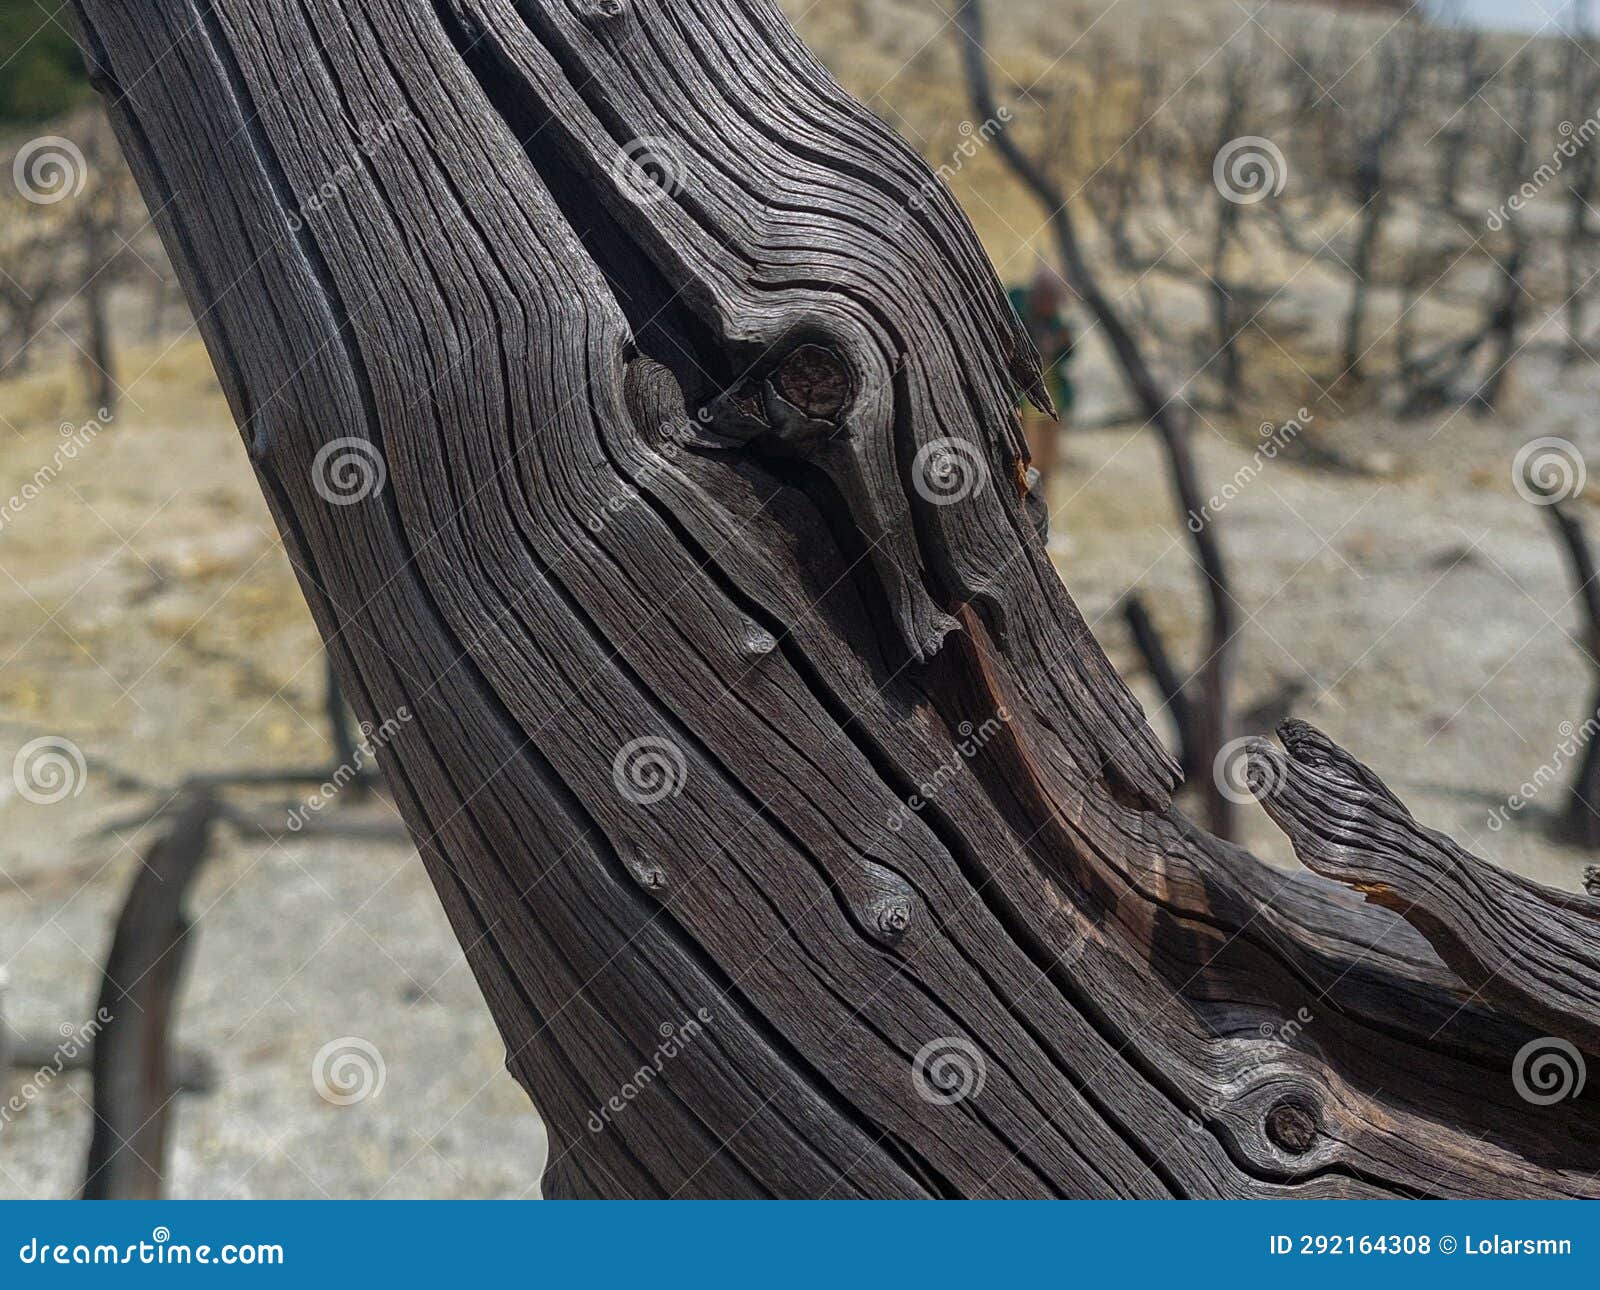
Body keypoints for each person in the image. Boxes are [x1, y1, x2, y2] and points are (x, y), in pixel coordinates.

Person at [1008, 268, 1078, 490]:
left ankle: (1045, 512)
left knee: (1048, 464)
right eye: (1052, 302)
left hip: (1053, 403)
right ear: (1041, 296)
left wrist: (1061, 344)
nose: (1055, 309)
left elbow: (1068, 355)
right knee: (1027, 464)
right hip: (1024, 406)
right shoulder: (1015, 307)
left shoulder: (1054, 320)